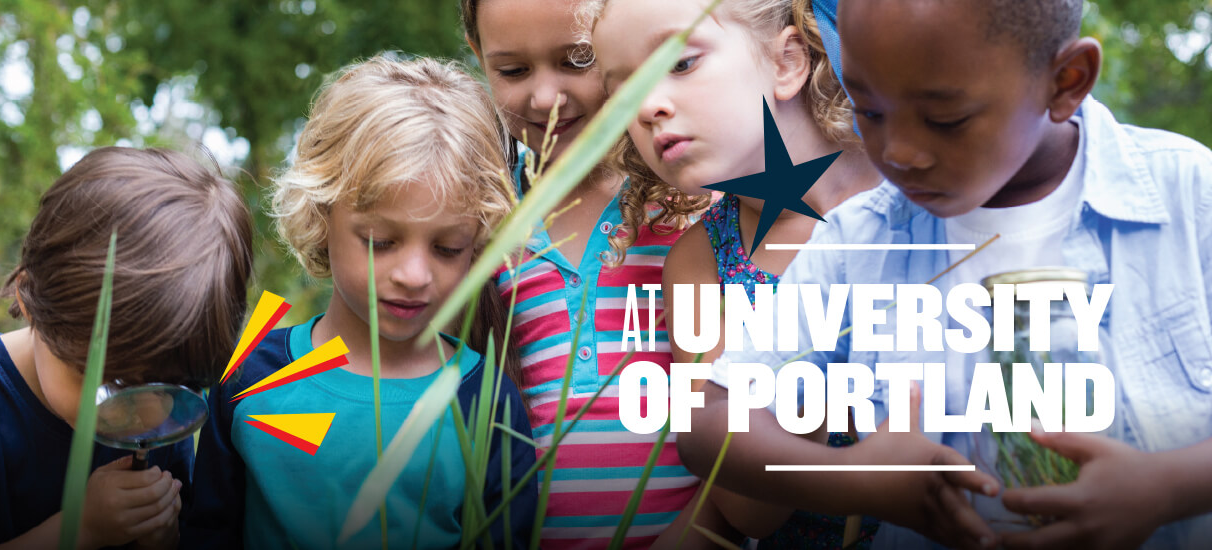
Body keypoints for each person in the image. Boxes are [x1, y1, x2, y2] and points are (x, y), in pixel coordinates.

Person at [681, 0, 1212, 548]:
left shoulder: (1190, 197)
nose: (899, 152)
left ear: (1066, 81)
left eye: (945, 119)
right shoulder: (860, 240)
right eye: (871, 112)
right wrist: (855, 479)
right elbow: (711, 422)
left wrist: (1166, 487)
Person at [182, 54, 536, 550]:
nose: (413, 276)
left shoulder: (486, 399)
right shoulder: (248, 375)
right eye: (379, 240)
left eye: (447, 247)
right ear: (321, 214)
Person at [0, 147, 255, 549]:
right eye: (108, 378)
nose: (138, 412)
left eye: (166, 384)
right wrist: (80, 531)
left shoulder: (163, 414)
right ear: (30, 302)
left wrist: (161, 535)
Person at [593, 0, 883, 546]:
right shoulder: (702, 264)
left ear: (786, 62)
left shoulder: (920, 203)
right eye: (622, 93)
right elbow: (744, 507)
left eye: (680, 63)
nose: (649, 106)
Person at [463, 0, 715, 546]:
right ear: (478, 57)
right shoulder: (475, 225)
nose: (546, 97)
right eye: (512, 70)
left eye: (577, 60)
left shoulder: (695, 202)